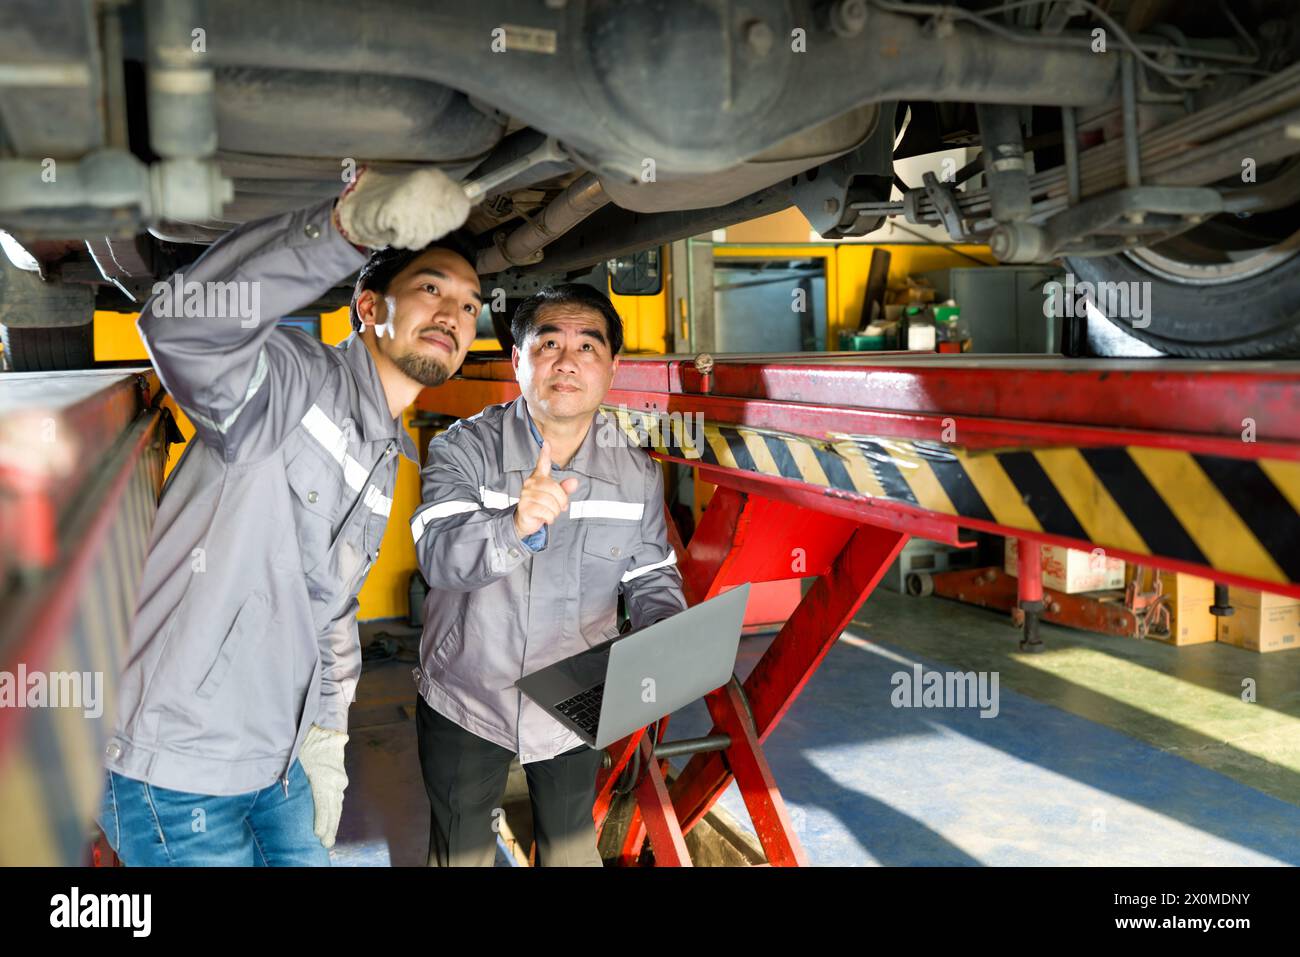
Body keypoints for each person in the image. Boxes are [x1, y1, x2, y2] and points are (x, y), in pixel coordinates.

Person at [97, 167, 481, 865]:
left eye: (469, 304)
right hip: (178, 772)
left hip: (278, 763)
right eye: (432, 289)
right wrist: (344, 230)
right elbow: (182, 328)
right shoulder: (297, 377)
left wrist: (326, 740)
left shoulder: (382, 452)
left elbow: (331, 612)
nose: (454, 315)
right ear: (368, 307)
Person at [410, 283, 687, 867]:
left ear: (613, 366)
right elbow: (438, 557)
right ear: (517, 360)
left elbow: (652, 575)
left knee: (570, 854)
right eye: (548, 343)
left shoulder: (634, 473)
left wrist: (669, 637)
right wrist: (512, 525)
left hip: (575, 696)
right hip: (469, 692)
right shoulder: (463, 450)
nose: (567, 361)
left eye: (588, 346)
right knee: (461, 855)